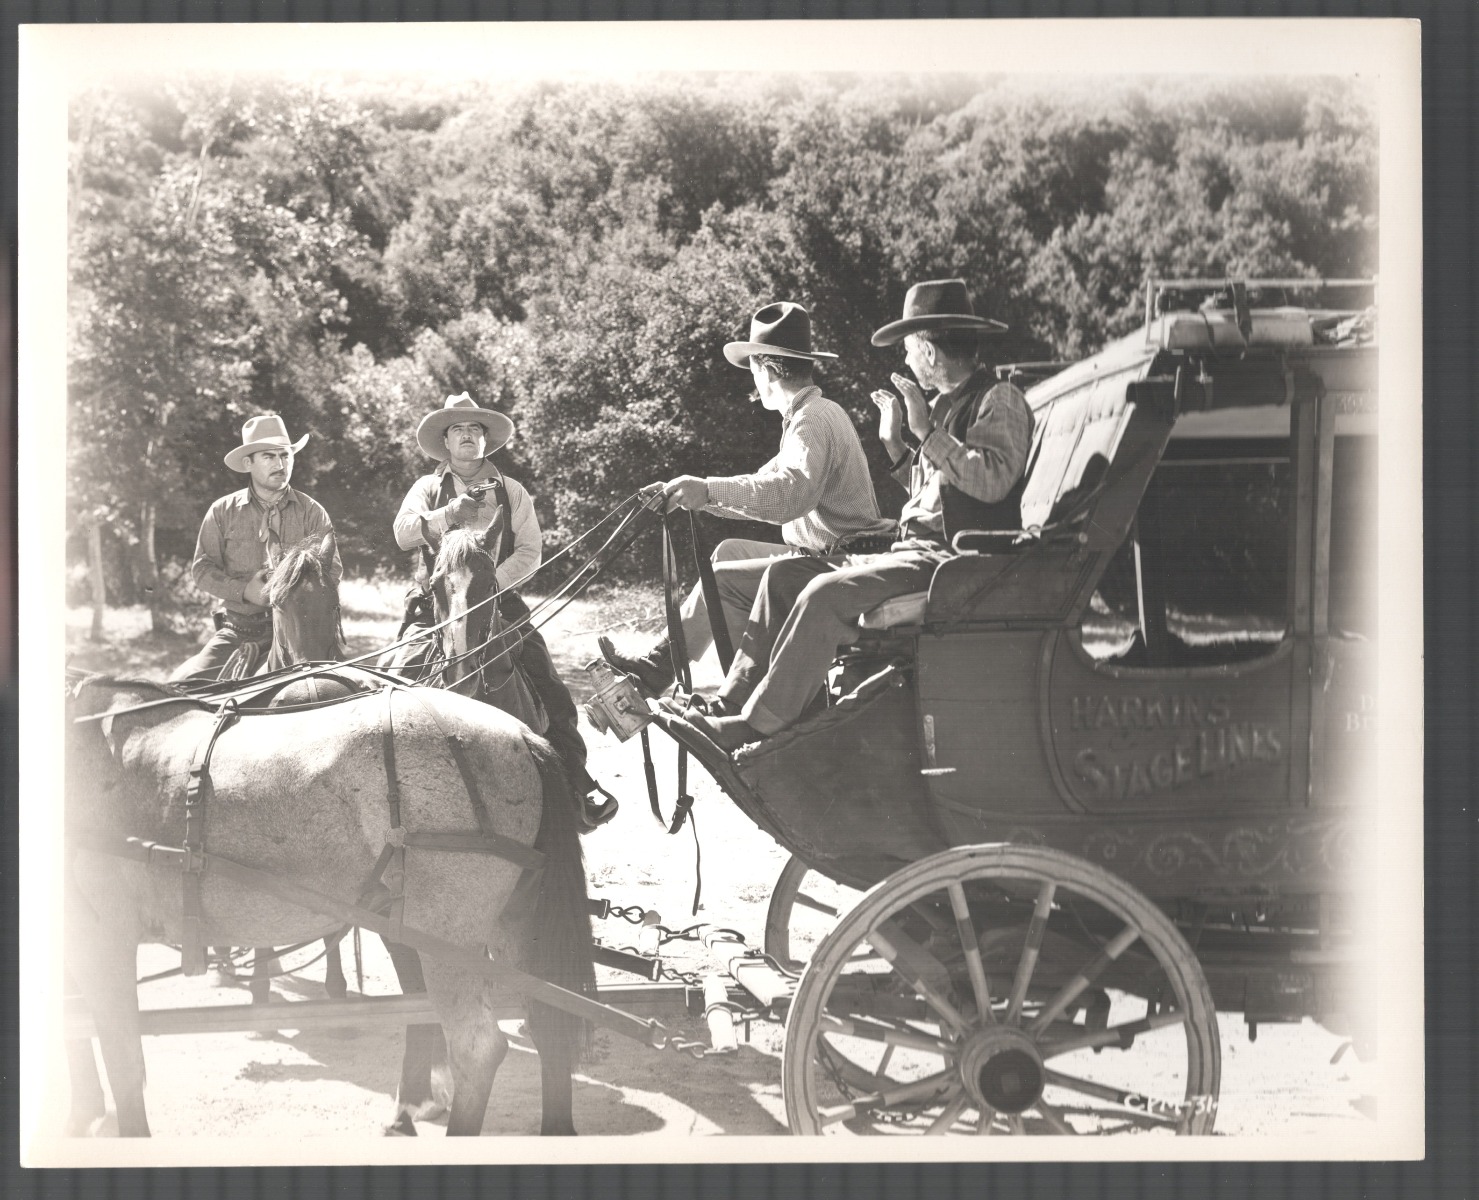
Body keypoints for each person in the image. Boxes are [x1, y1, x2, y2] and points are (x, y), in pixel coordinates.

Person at [689, 278, 1035, 749]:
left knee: (823, 593)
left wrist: (926, 433)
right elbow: (937, 492)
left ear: (930, 352)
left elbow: (992, 482)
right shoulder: (948, 406)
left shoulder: (1000, 400)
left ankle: (759, 726)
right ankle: (732, 705)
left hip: (950, 563)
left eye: (910, 350)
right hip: (914, 551)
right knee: (785, 578)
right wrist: (899, 443)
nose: (907, 361)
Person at [598, 301, 891, 697]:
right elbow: (763, 481)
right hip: (829, 555)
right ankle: (750, 679)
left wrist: (706, 491)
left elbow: (789, 495)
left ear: (767, 369)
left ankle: (675, 673)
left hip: (844, 560)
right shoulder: (809, 416)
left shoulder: (812, 421)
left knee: (720, 582)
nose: (753, 381)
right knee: (730, 552)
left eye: (753, 370)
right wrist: (691, 492)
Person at [394, 392, 618, 830]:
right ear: (445, 439)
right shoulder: (425, 488)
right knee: (397, 675)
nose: (467, 436)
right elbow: (403, 533)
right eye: (458, 429)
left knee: (547, 683)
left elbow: (531, 551)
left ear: (485, 440)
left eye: (475, 429)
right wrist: (445, 514)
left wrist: (490, 584)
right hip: (434, 606)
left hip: (498, 600)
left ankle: (576, 783)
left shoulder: (512, 491)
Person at [171, 414, 341, 682]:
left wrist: (294, 594)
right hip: (240, 630)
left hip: (301, 632)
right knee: (186, 687)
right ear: (248, 463)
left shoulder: (312, 513)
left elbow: (331, 572)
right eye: (268, 457)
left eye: (285, 455)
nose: (280, 464)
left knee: (342, 692)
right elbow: (202, 569)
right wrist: (245, 591)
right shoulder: (222, 512)